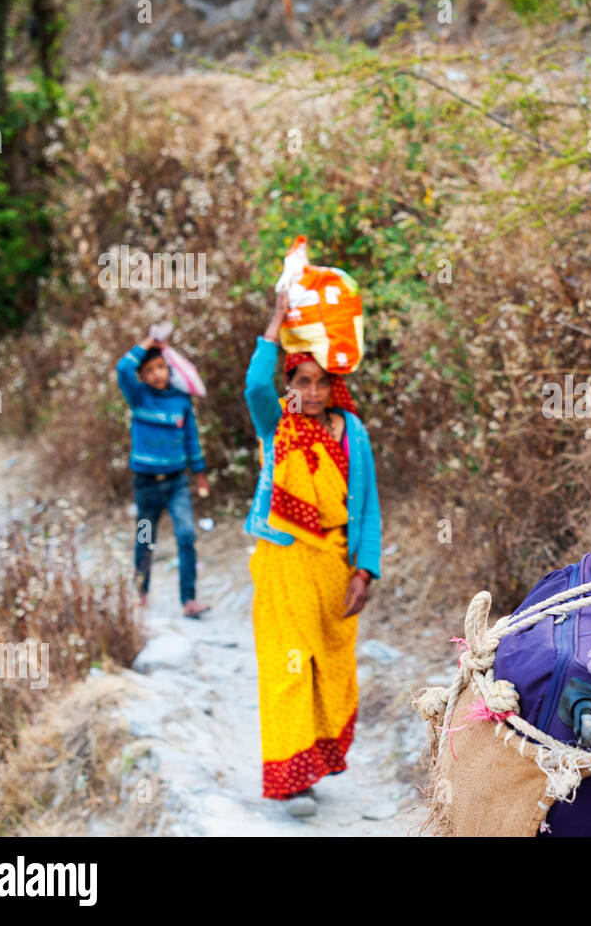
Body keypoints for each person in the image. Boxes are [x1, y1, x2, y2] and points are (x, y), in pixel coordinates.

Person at [243, 286, 382, 817]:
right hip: (284, 562)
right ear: (289, 386)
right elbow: (256, 383)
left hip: (334, 565)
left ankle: (315, 762)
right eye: (303, 381)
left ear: (335, 384)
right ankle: (290, 779)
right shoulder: (278, 424)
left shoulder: (355, 432)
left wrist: (364, 573)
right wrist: (277, 319)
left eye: (323, 381)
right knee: (288, 665)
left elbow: (367, 506)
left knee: (332, 668)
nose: (315, 390)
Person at [116, 337, 211, 618]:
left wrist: (200, 473)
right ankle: (141, 592)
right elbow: (123, 368)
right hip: (146, 485)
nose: (158, 374)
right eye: (150, 370)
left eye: (162, 367)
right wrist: (147, 343)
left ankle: (189, 599)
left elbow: (191, 438)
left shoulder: (181, 402)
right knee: (146, 538)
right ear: (142, 377)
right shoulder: (139, 397)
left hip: (176, 482)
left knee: (186, 534)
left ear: (169, 369)